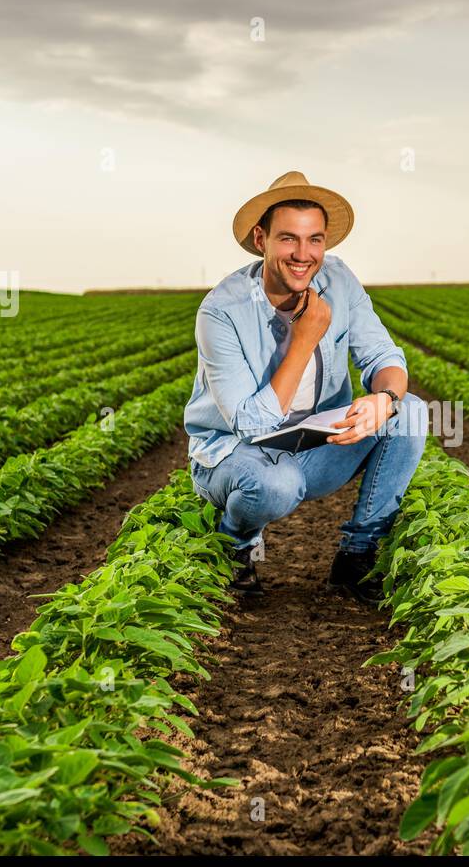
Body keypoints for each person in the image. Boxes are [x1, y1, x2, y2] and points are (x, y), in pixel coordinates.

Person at [183, 171, 427, 605]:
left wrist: (383, 400)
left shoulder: (339, 281)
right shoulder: (222, 311)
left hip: (316, 445)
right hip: (238, 457)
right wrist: (305, 338)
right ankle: (233, 549)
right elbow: (248, 424)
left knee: (409, 412)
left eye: (314, 240)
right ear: (261, 239)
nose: (303, 254)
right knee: (275, 485)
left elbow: (384, 358)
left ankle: (356, 557)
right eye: (288, 239)